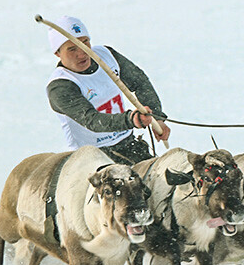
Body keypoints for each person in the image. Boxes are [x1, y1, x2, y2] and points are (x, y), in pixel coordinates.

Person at [45, 15, 171, 164]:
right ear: (57, 53)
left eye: (85, 43)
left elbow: (140, 83)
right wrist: (131, 119)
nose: (82, 53)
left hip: (128, 144)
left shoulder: (107, 55)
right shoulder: (60, 86)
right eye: (72, 49)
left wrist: (157, 118)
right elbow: (92, 120)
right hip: (92, 156)